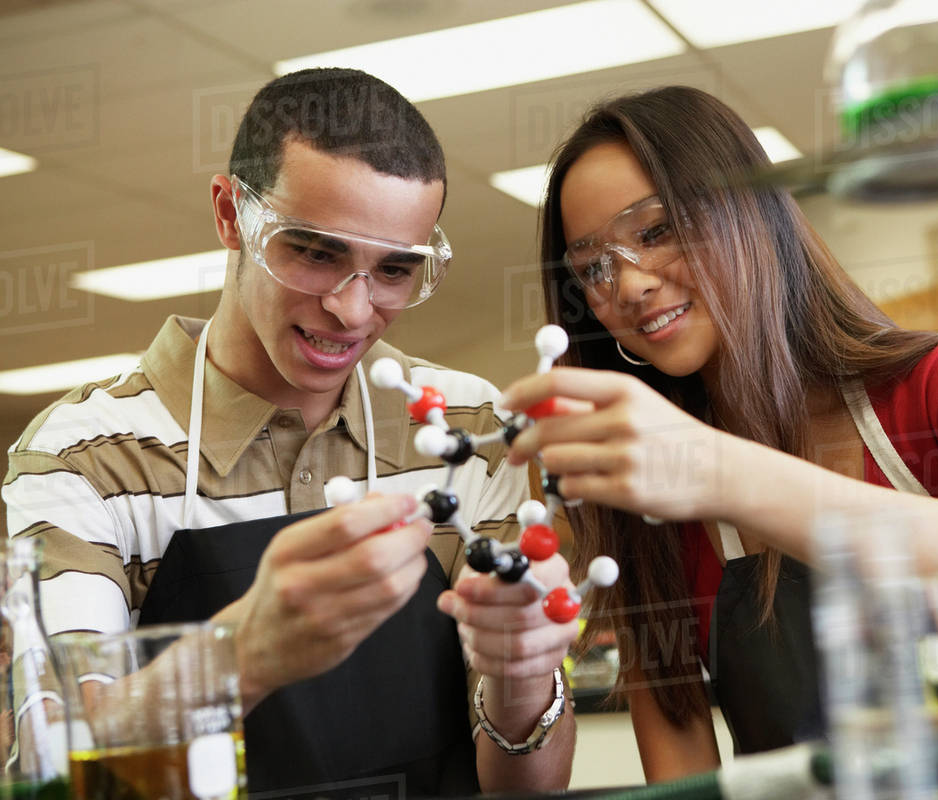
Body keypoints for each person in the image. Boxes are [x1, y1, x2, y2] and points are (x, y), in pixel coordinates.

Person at [3, 69, 576, 795]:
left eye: (395, 269)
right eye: (314, 251)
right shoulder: (86, 454)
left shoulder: (463, 428)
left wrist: (521, 678)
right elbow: (50, 763)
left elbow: (531, 789)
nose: (352, 309)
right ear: (228, 214)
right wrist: (241, 655)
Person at [499, 86, 938, 780]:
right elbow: (682, 766)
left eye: (656, 231)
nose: (628, 286)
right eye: (593, 268)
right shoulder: (643, 491)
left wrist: (715, 470)